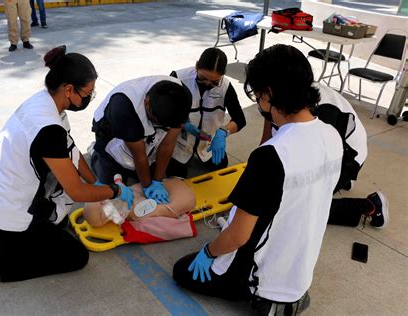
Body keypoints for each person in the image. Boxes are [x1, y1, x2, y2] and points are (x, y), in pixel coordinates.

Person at [173, 44, 343, 314]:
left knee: (182, 270)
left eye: (257, 93)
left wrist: (208, 252)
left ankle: (260, 295)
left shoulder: (271, 156)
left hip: (263, 277)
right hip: (300, 269)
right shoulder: (332, 136)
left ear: (269, 95)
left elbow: (238, 237)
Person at [0, 45, 135, 291]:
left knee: (59, 221)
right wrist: (114, 192)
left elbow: (71, 151)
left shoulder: (44, 103)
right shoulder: (48, 128)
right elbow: (76, 192)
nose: (89, 98)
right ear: (68, 89)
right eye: (88, 93)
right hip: (9, 212)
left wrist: (95, 181)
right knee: (75, 256)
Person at [260, 82, 388, 229]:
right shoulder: (276, 96)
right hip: (335, 151)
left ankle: (369, 205)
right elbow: (268, 136)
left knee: (294, 209)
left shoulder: (319, 109)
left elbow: (314, 162)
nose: (259, 101)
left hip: (347, 157)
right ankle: (341, 181)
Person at [90, 75, 192, 205]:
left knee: (148, 173)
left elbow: (167, 144)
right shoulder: (123, 107)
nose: (160, 127)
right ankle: (96, 158)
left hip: (138, 135)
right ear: (146, 101)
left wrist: (157, 181)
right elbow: (139, 155)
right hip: (110, 133)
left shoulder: (182, 99)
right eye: (155, 121)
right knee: (113, 192)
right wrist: (147, 186)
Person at [167, 47, 246, 178]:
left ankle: (200, 151)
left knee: (221, 165)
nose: (207, 83)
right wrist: (182, 124)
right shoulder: (178, 78)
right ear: (197, 65)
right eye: (202, 78)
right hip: (180, 143)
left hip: (208, 143)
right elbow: (165, 111)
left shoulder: (226, 87)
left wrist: (223, 132)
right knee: (175, 175)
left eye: (214, 82)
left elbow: (239, 119)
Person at [84, 178, 196, 227]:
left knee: (137, 190)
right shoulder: (132, 212)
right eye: (101, 204)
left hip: (174, 186)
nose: (103, 201)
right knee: (157, 210)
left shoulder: (120, 200)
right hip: (186, 198)